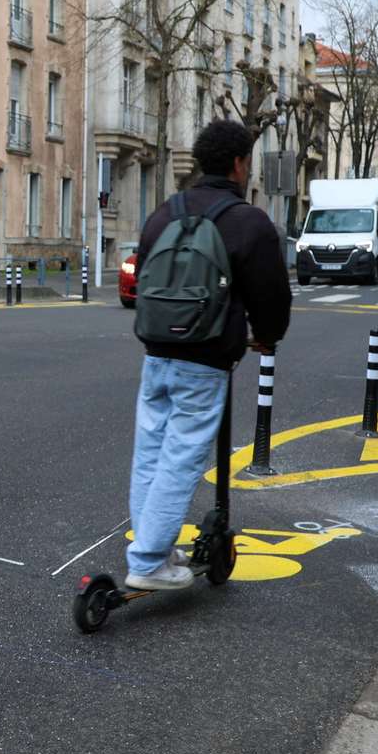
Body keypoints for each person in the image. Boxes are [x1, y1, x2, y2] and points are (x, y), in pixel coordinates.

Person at [126, 119, 292, 590]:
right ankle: (149, 561)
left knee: (151, 453)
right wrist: (266, 336)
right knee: (181, 457)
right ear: (240, 164)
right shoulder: (247, 221)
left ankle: (152, 545)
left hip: (156, 352)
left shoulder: (164, 212)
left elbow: (144, 277)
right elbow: (270, 295)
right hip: (205, 358)